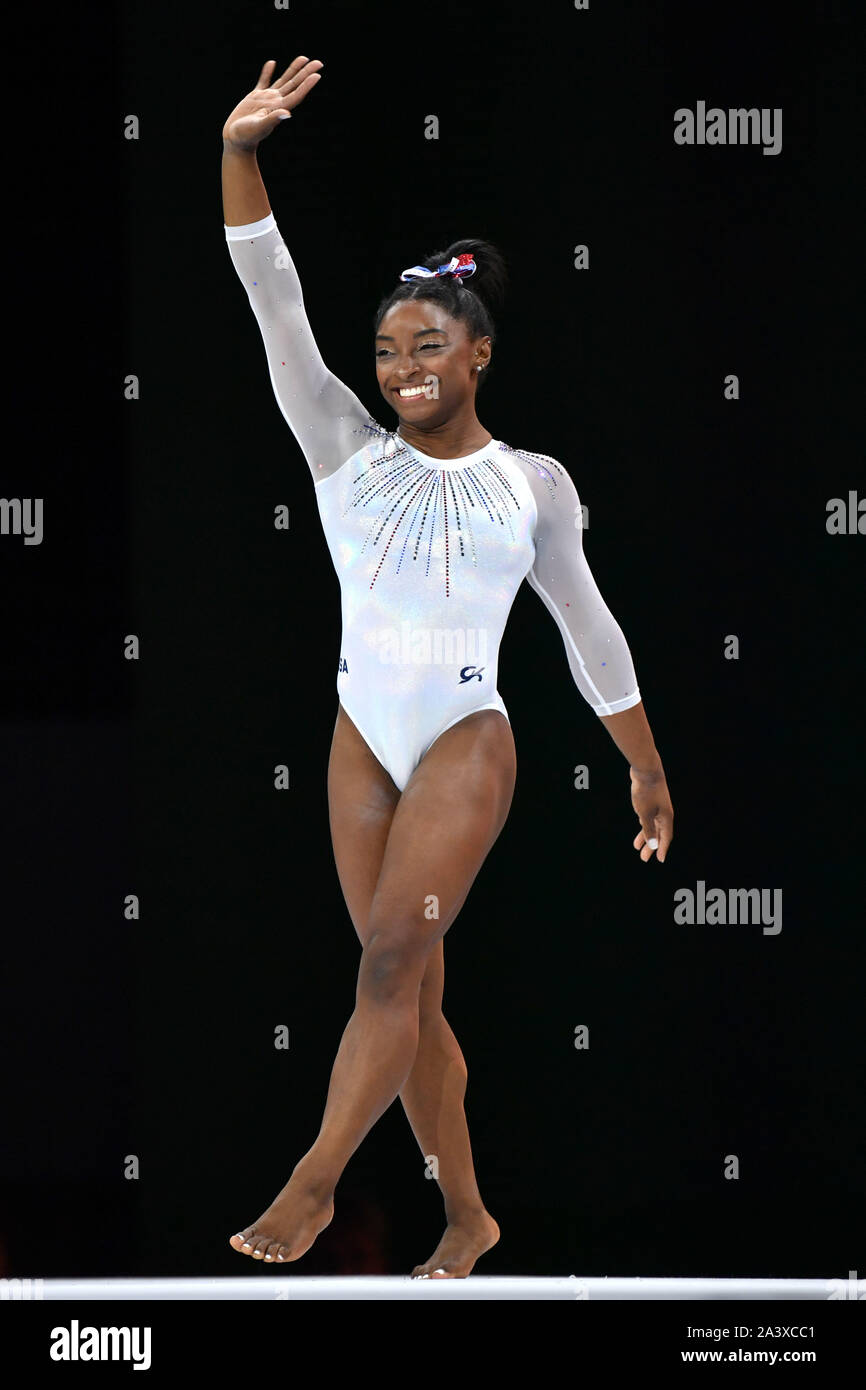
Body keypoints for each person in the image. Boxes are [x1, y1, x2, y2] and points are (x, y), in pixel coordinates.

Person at [221, 55, 674, 1279]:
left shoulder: (531, 487)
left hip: (468, 735)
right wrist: (241, 155)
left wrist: (642, 767)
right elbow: (271, 300)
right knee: (410, 994)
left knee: (385, 959)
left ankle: (312, 1185)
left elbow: (589, 631)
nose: (399, 363)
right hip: (359, 736)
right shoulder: (339, 447)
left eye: (426, 343)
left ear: (477, 354)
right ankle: (467, 1215)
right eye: (384, 347)